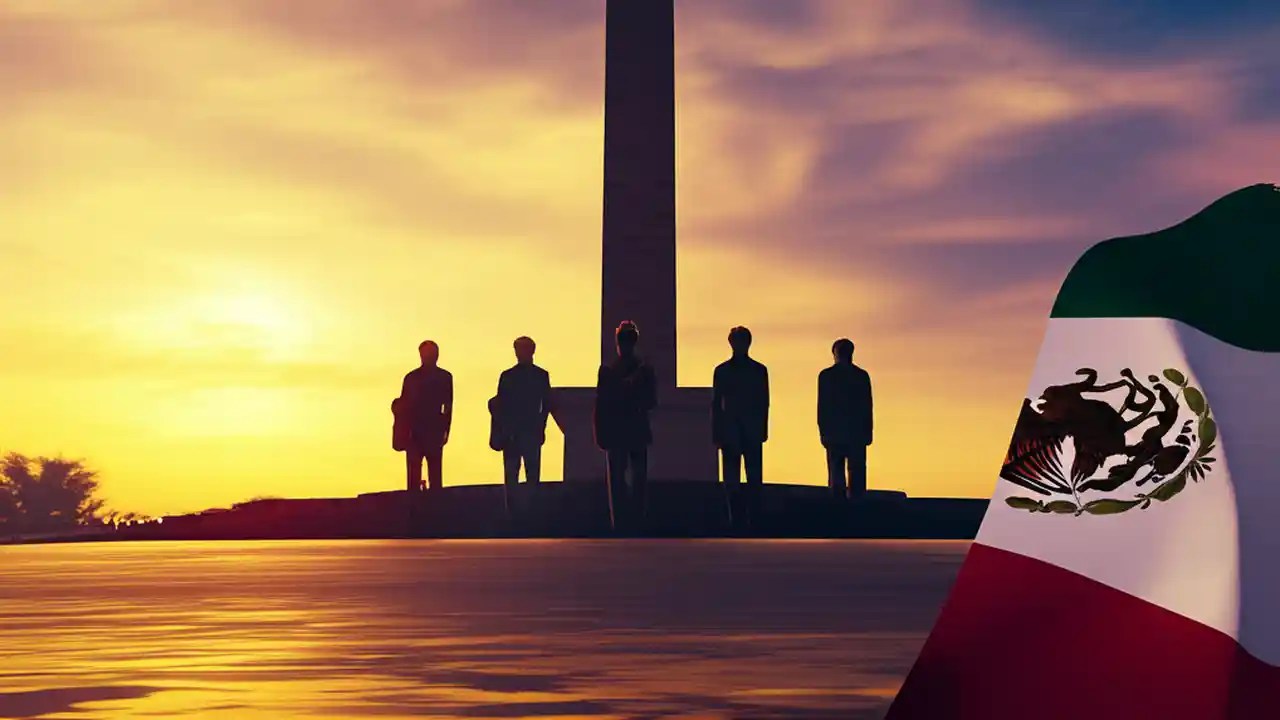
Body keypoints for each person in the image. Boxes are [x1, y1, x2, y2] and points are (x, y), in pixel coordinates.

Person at [594, 321, 657, 532]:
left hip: (621, 431)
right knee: (631, 480)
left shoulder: (609, 372)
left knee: (623, 480)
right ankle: (631, 522)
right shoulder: (642, 371)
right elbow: (650, 401)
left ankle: (622, 523)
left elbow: (602, 404)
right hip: (631, 431)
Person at [712, 326, 769, 529]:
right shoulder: (724, 371)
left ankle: (751, 519)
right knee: (733, 481)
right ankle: (736, 520)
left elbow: (764, 402)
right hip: (733, 431)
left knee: (752, 479)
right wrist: (717, 432)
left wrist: (763, 430)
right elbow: (716, 404)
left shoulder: (756, 371)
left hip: (746, 431)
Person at [495, 336, 554, 517]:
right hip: (518, 433)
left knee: (525, 476)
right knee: (519, 476)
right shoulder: (537, 376)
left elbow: (546, 405)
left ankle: (521, 514)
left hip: (523, 432)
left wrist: (540, 428)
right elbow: (546, 405)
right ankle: (520, 514)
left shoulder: (512, 376)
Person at [818, 338, 873, 501]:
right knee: (854, 477)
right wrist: (868, 432)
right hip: (854, 433)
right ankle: (852, 507)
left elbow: (823, 408)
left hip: (838, 434)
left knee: (839, 476)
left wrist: (824, 432)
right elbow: (867, 406)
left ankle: (841, 507)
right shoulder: (861, 376)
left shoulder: (827, 376)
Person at [394, 340, 453, 492]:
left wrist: (445, 430)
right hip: (417, 432)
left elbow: (448, 406)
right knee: (417, 474)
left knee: (433, 475)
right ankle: (421, 501)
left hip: (431, 430)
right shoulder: (414, 378)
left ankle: (429, 501)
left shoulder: (442, 377)